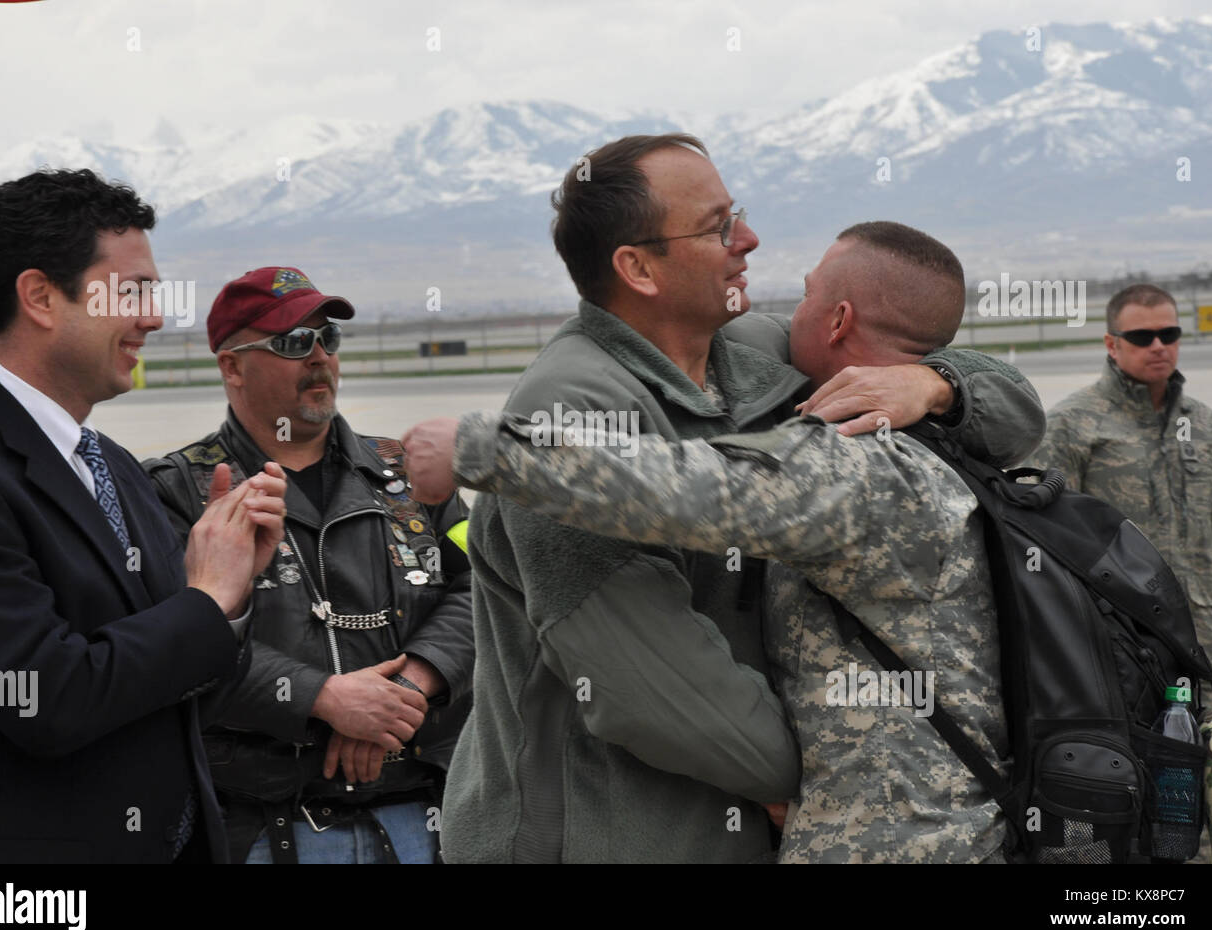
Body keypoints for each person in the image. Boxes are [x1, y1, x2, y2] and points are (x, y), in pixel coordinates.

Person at [429, 129, 1043, 863]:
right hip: (598, 834)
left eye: (737, 212)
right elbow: (655, 693)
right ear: (638, 268)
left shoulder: (745, 350)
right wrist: (837, 775)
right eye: (718, 226)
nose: (749, 239)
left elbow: (998, 401)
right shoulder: (572, 410)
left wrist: (937, 383)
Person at [0, 169, 287, 863]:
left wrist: (230, 594)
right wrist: (205, 600)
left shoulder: (112, 464)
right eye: (132, 291)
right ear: (40, 296)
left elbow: (178, 689)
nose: (153, 317)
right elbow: (45, 697)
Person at [144, 267, 473, 864]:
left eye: (328, 339)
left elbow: (487, 587)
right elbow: (171, 644)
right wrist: (321, 698)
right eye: (294, 343)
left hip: (431, 817)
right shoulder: (177, 494)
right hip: (269, 830)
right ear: (232, 366)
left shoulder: (412, 474)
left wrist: (408, 686)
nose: (319, 356)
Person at [1028, 284, 1212, 676]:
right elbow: (1039, 546)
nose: (1158, 346)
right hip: (1117, 656)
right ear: (1112, 344)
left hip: (1202, 653)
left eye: (1169, 334)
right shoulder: (1071, 425)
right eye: (1142, 337)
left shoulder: (1202, 423)